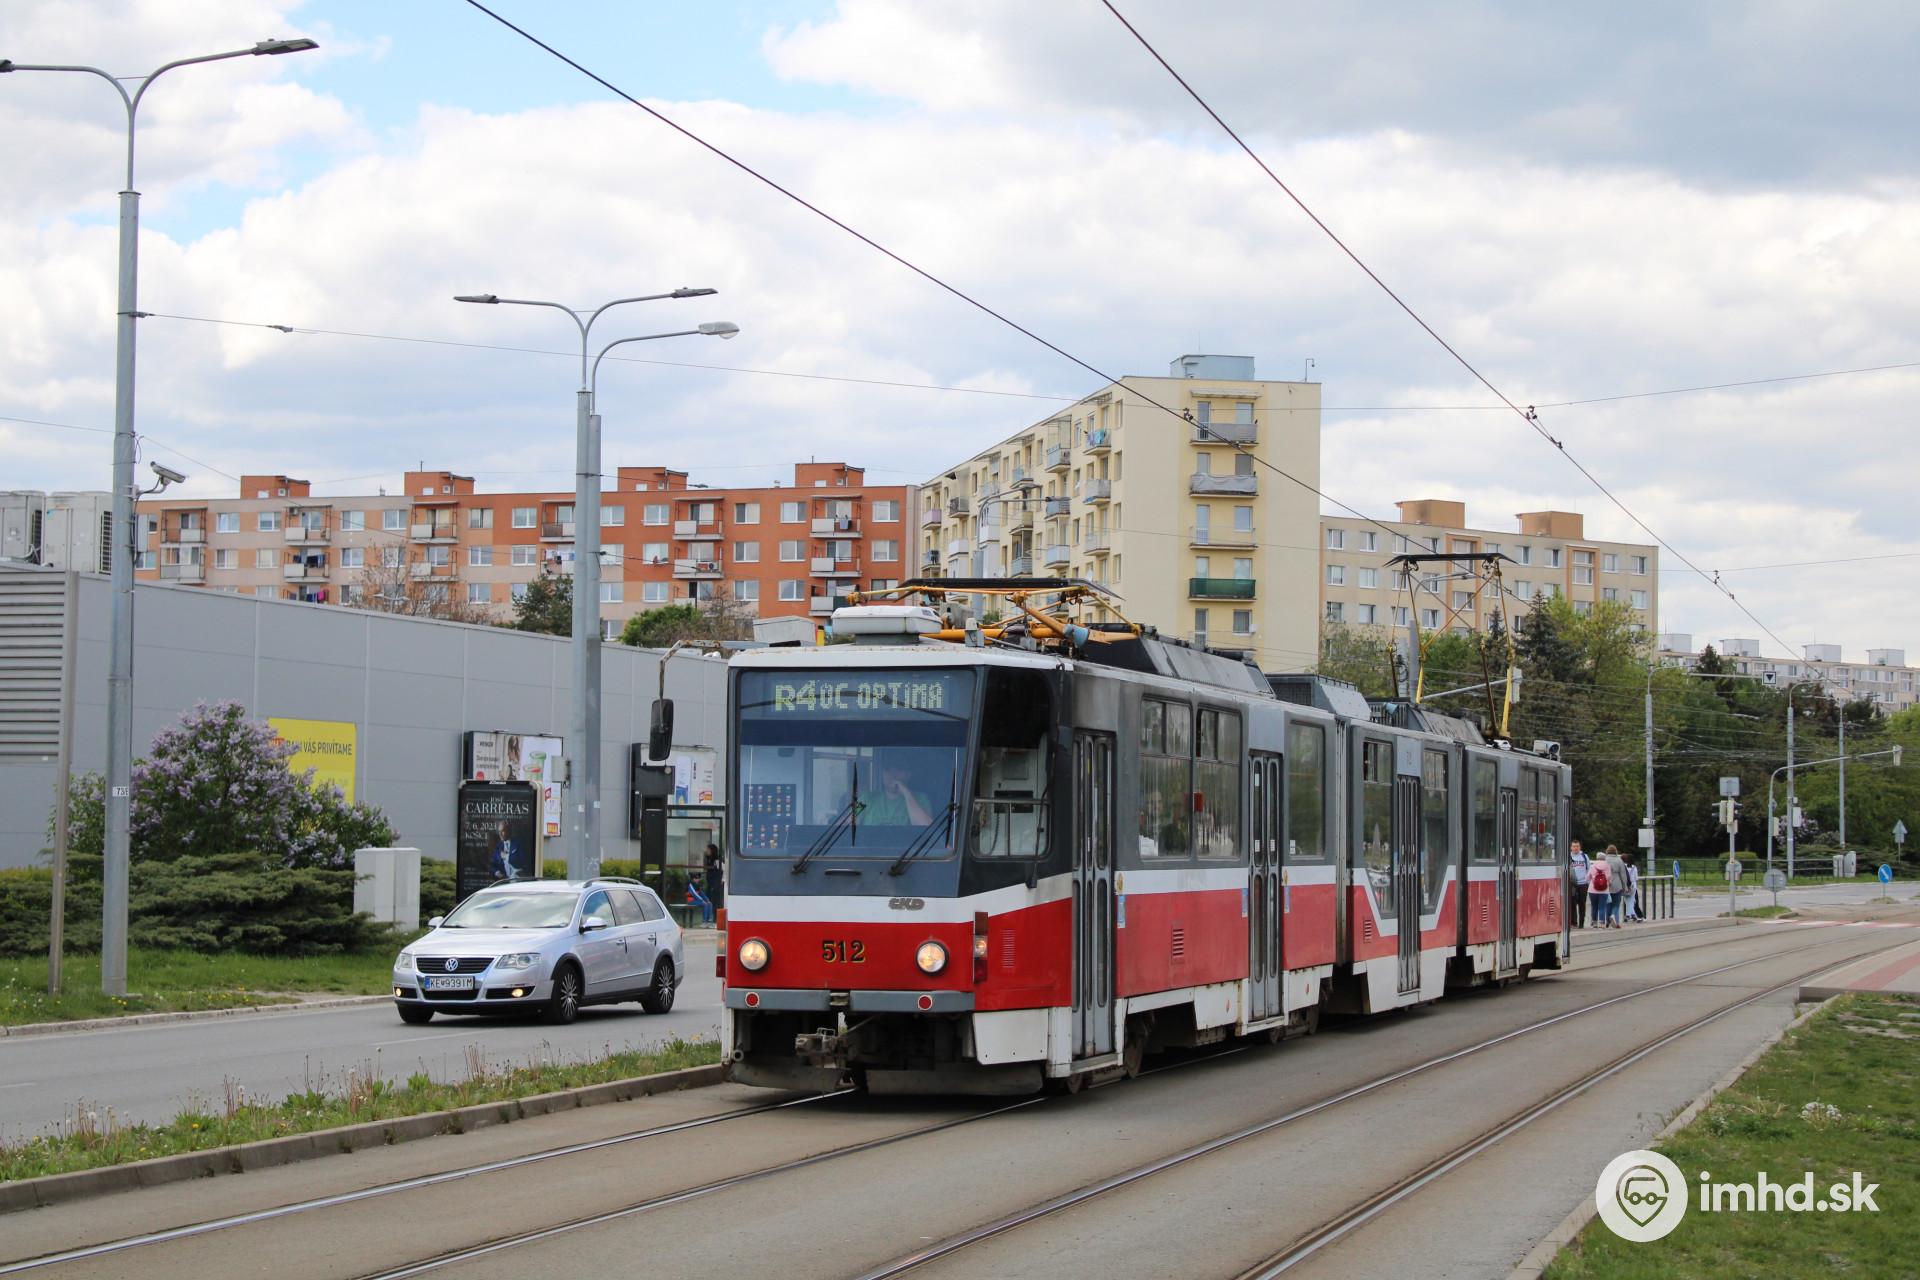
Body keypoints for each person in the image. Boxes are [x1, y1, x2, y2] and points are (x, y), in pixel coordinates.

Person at [866, 764, 932, 826]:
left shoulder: (920, 799)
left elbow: (926, 827)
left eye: (899, 769)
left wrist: (906, 793)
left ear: (908, 775)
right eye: (887, 770)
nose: (892, 774)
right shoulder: (865, 798)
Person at [1604, 844, 1630, 929]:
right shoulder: (1619, 860)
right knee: (1616, 904)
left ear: (1607, 851)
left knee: (1608, 903)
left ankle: (1607, 922)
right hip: (1617, 884)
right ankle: (1613, 915)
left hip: (1606, 884)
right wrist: (1625, 886)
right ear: (1616, 851)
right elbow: (1623, 875)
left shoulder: (1604, 860)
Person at [1588, 851, 1614, 927]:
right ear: (1604, 858)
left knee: (1594, 906)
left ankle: (1594, 923)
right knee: (1602, 907)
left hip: (1592, 890)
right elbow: (1609, 878)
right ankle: (1602, 923)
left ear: (1597, 858)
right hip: (1604, 890)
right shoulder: (1607, 866)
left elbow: (1587, 877)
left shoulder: (1592, 866)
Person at [1568, 841, 1591, 927]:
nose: (1575, 848)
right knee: (1572, 903)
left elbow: (1589, 869)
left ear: (1580, 847)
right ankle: (1573, 922)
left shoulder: (1584, 857)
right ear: (1571, 847)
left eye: (1577, 846)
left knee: (1582, 904)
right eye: (1574, 846)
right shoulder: (1568, 857)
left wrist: (1588, 882)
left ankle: (1581, 922)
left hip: (1583, 883)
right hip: (1572, 884)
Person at [702, 842, 724, 913]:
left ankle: (715, 917)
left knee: (715, 901)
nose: (707, 851)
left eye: (708, 849)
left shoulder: (717, 860)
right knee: (709, 899)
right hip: (710, 882)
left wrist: (717, 883)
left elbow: (721, 871)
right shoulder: (709, 859)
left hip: (716, 884)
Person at [1623, 853, 1641, 923]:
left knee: (1627, 900)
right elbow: (1636, 878)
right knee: (1631, 900)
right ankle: (1631, 914)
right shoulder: (1634, 867)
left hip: (1625, 885)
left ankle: (1629, 915)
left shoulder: (1624, 866)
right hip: (1633, 885)